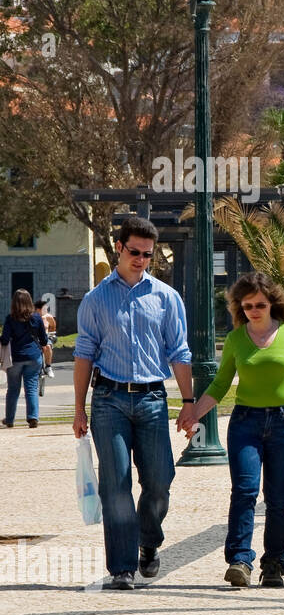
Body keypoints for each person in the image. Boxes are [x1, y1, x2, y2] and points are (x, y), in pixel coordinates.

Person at [73, 216, 196, 591]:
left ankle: (149, 541)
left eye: (147, 254)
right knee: (116, 485)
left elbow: (179, 352)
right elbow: (83, 355)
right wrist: (79, 409)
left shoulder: (166, 297)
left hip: (152, 399)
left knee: (160, 481)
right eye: (134, 252)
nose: (141, 259)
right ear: (119, 249)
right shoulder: (95, 299)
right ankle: (122, 567)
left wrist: (188, 402)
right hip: (108, 400)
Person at [187, 273, 284, 587]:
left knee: (278, 498)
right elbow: (221, 383)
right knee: (245, 492)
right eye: (247, 305)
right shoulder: (237, 339)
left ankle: (274, 564)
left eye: (260, 304)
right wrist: (194, 413)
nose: (253, 310)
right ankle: (239, 560)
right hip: (245, 424)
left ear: (272, 303)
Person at [2, 289, 48, 429]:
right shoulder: (36, 318)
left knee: (13, 389)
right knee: (31, 388)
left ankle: (10, 419)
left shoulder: (10, 319)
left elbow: (4, 340)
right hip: (34, 357)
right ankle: (33, 417)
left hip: (15, 358)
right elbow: (44, 340)